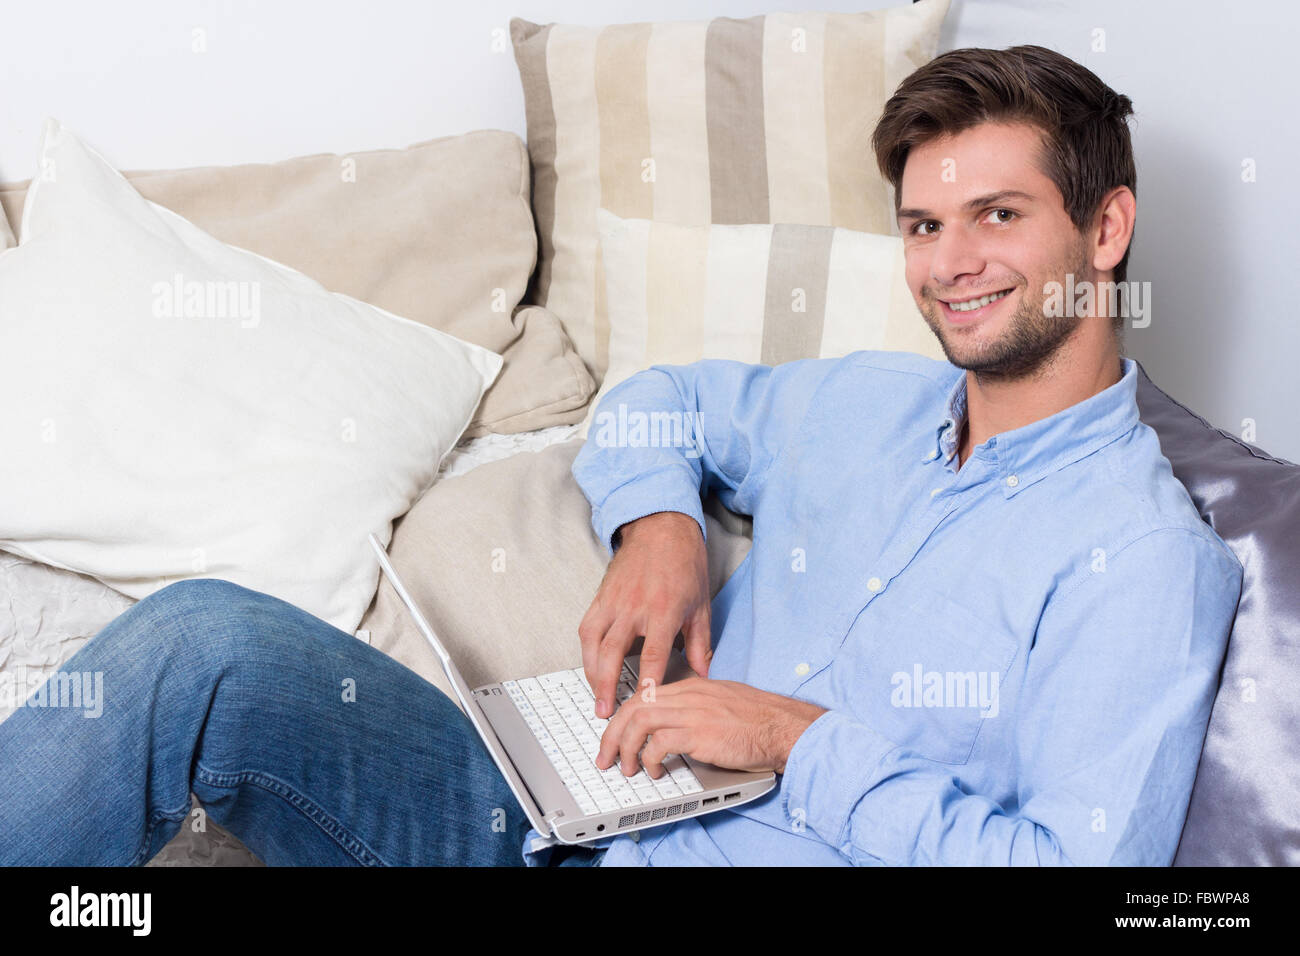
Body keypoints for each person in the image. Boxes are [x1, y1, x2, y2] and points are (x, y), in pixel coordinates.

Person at [0, 45, 1242, 867]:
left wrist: (798, 739)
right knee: (209, 642)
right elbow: (660, 401)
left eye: (998, 216)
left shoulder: (1140, 559)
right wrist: (660, 528)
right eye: (924, 224)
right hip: (565, 826)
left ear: (1106, 224)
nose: (951, 261)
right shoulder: (869, 402)